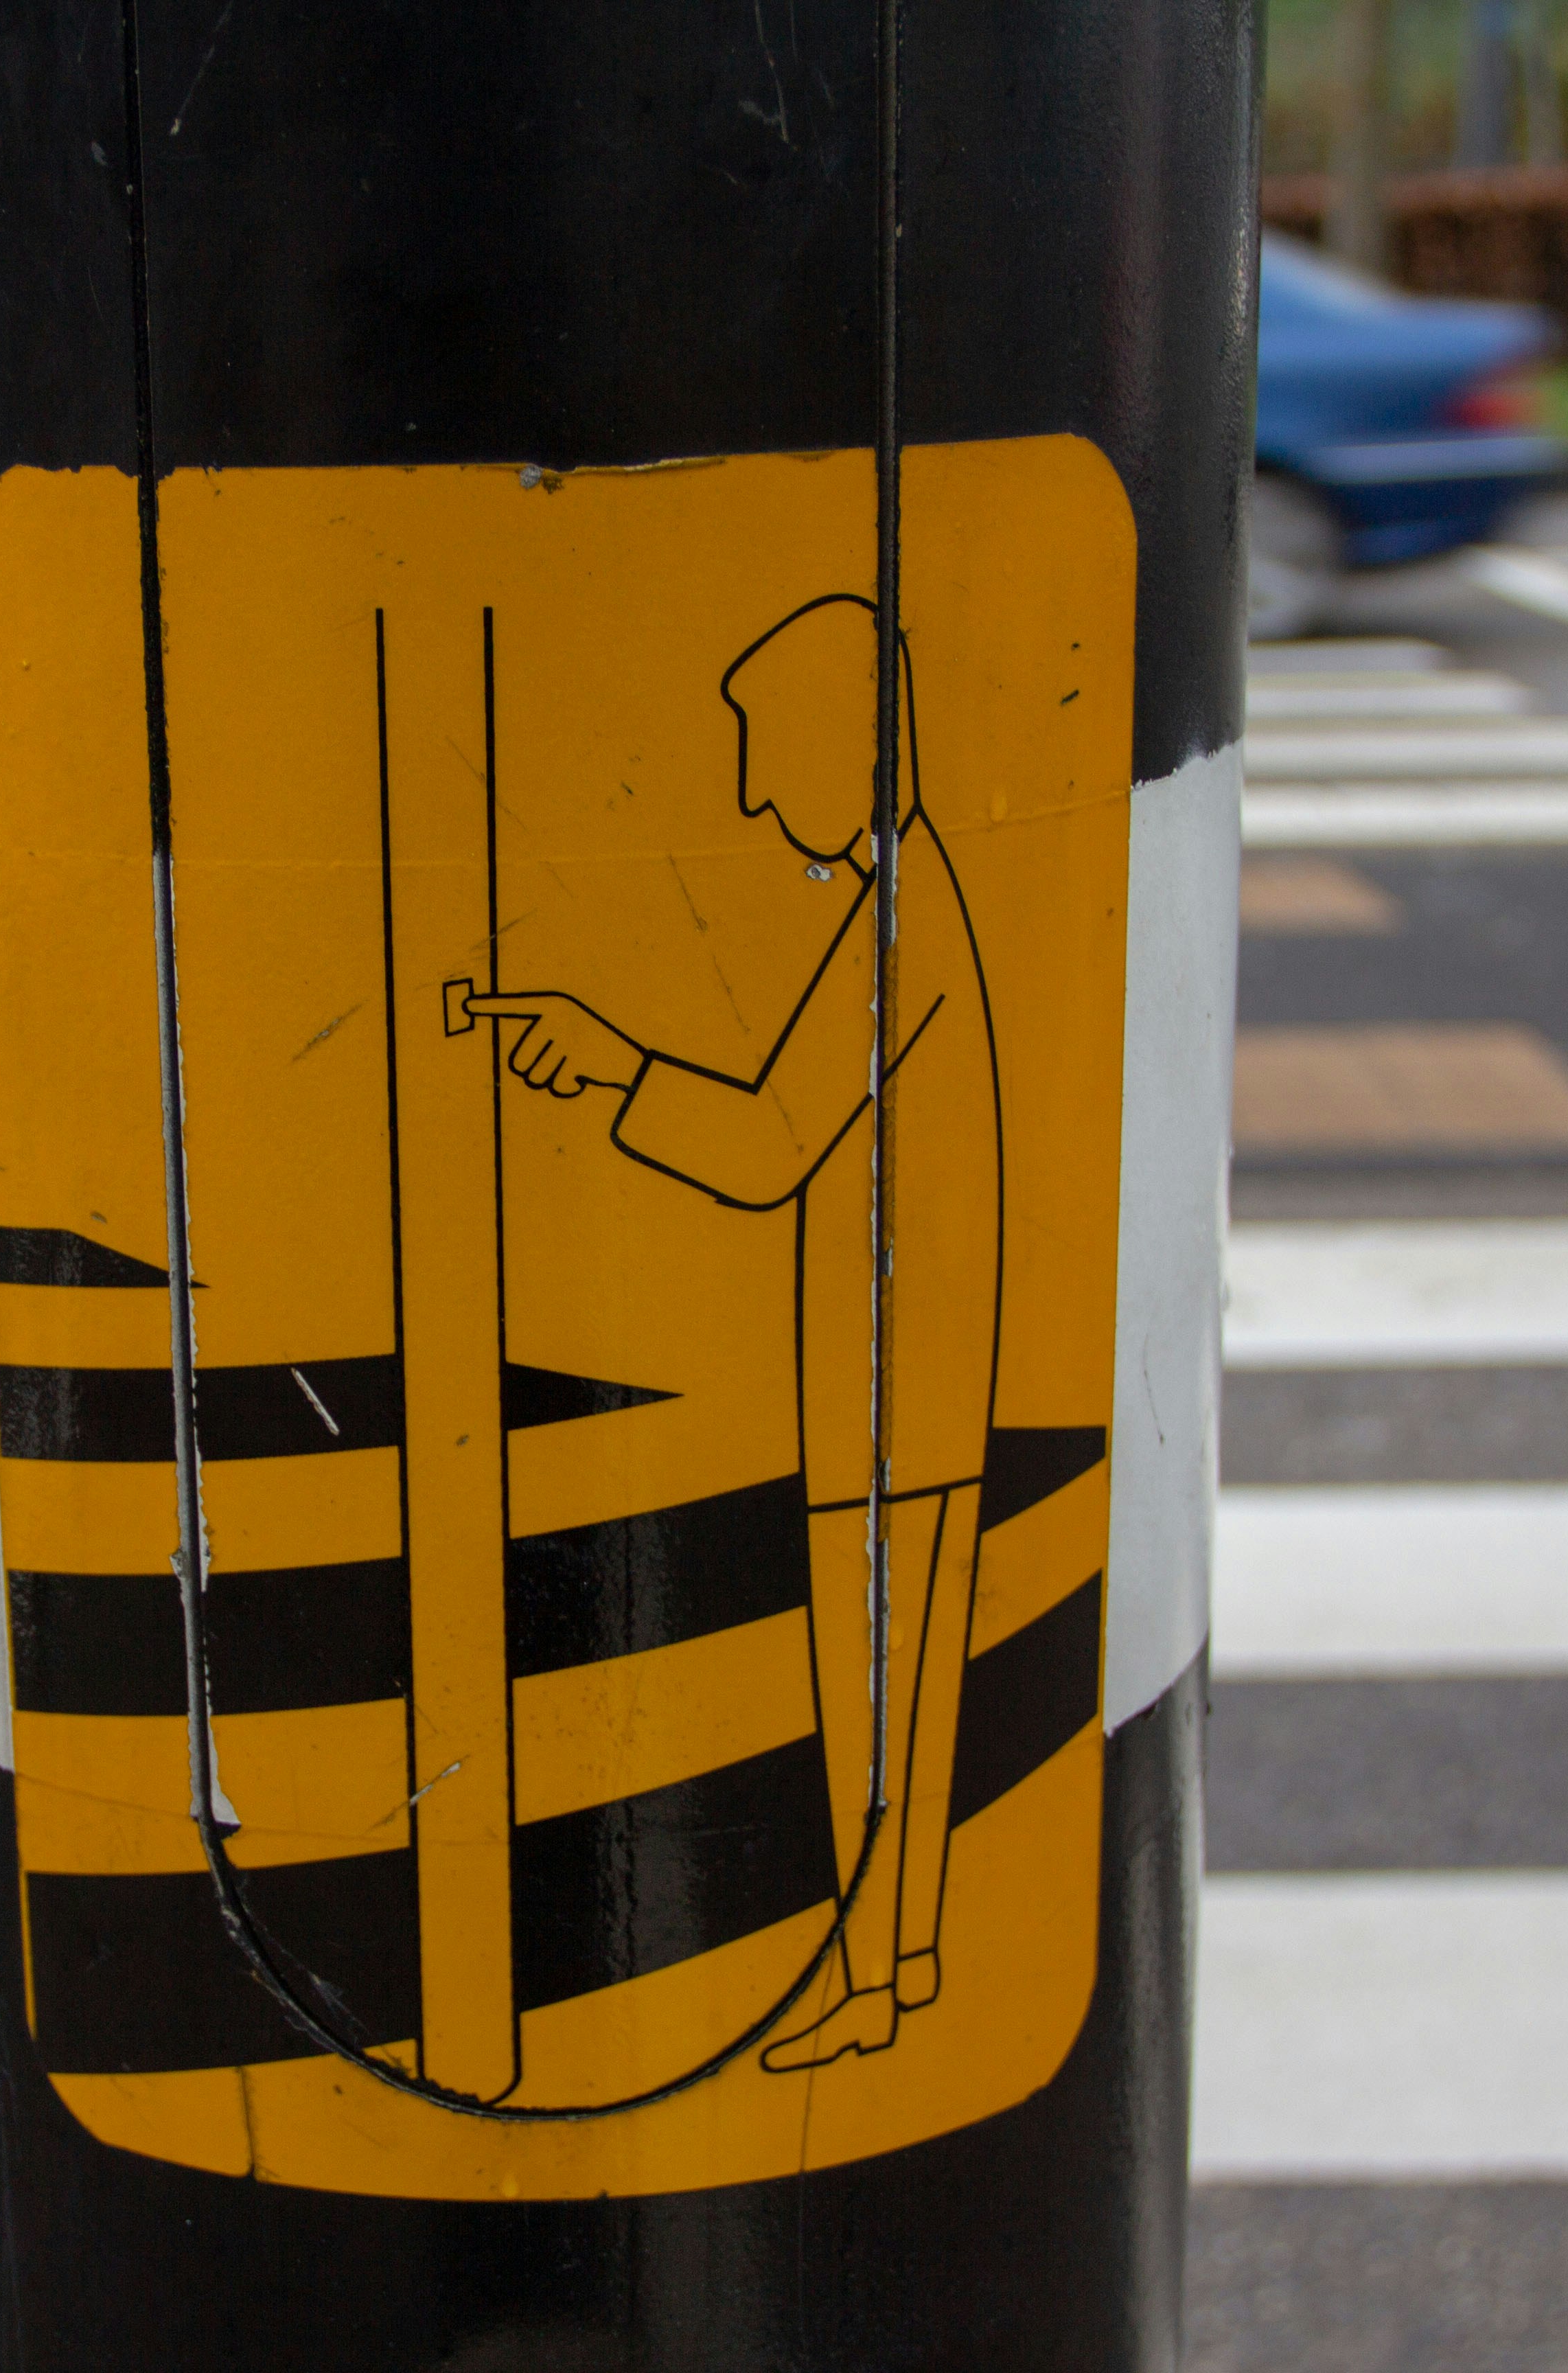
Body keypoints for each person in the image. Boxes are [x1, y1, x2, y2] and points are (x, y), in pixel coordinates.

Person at [468, 592, 1004, 2067]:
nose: (760, 790)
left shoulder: (906, 908)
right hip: (882, 1378)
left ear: (848, 737)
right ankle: (881, 1963)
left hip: (903, 1386)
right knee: (884, 1680)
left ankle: (884, 1973)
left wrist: (610, 1063)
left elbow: (771, 1143)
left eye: (772, 746)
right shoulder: (900, 896)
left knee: (884, 1682)